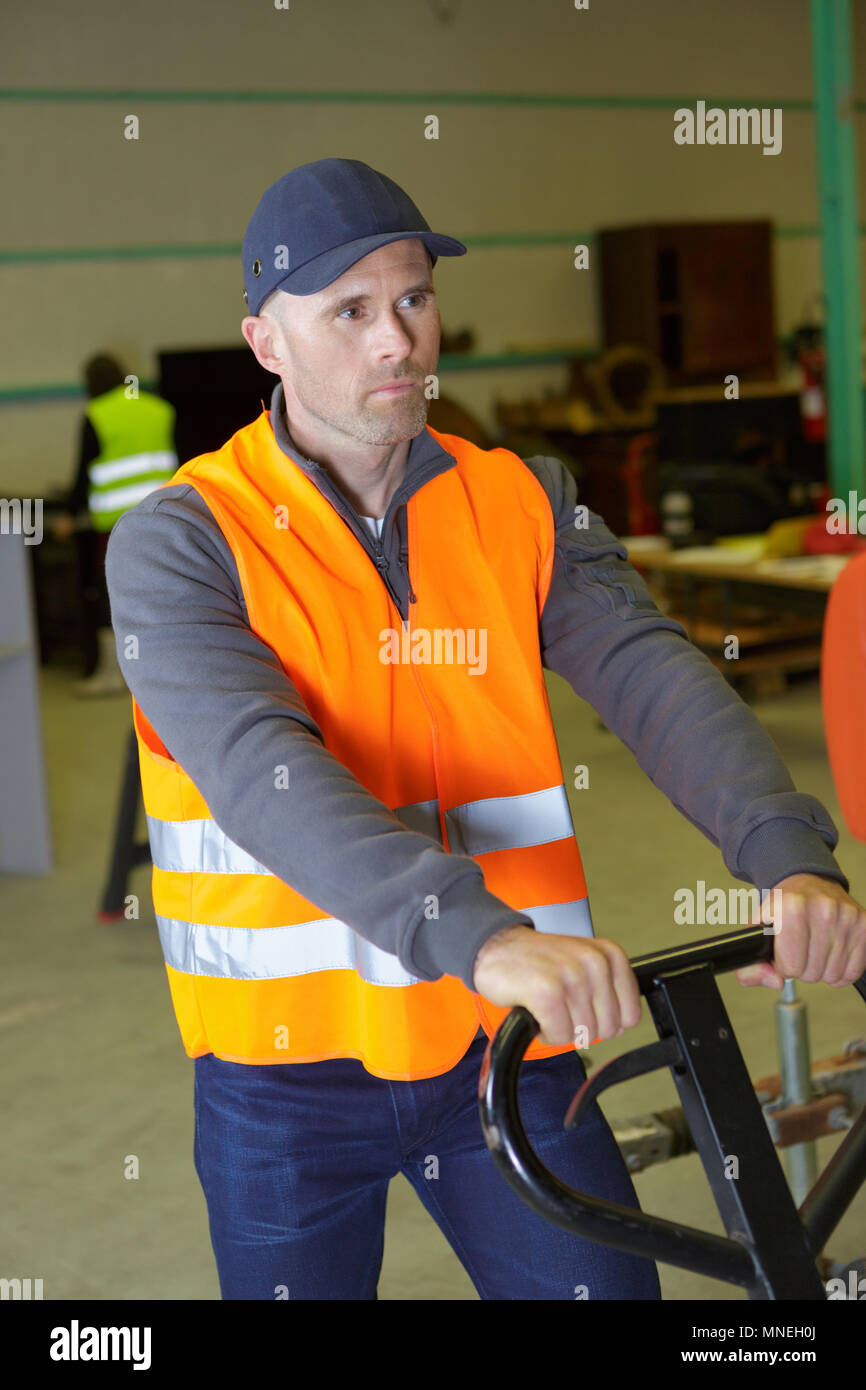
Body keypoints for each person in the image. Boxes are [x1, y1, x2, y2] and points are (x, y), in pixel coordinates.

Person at [105, 158, 866, 1301]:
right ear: (266, 342)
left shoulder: (523, 500)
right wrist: (483, 933)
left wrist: (784, 855)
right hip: (284, 1079)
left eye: (411, 298)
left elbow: (655, 677)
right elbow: (263, 773)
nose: (394, 342)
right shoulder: (182, 541)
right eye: (348, 312)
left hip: (505, 1052)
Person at [55, 353, 177, 695]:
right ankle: (166, 666)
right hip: (163, 516)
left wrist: (68, 514)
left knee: (110, 593)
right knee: (163, 589)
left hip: (117, 526)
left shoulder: (97, 415)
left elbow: (83, 472)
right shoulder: (159, 409)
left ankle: (114, 673)